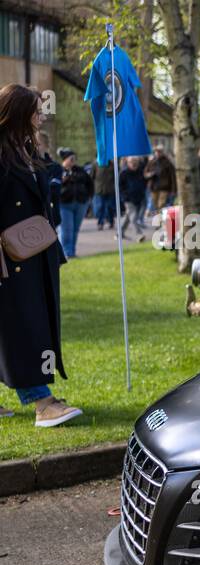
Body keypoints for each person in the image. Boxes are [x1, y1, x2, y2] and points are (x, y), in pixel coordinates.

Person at [0, 83, 81, 427]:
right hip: (9, 260)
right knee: (23, 326)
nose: (41, 114)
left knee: (22, 324)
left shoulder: (26, 150)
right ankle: (41, 401)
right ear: (19, 113)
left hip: (37, 253)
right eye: (35, 109)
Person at [56, 149, 92, 258]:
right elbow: (53, 187)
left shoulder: (80, 170)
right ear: (65, 159)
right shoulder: (58, 170)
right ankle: (67, 253)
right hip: (64, 204)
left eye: (74, 158)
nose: (73, 160)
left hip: (81, 203)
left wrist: (88, 198)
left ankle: (72, 251)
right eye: (70, 158)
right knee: (66, 230)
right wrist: (64, 180)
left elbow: (90, 184)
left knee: (75, 229)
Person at [118, 156, 148, 240]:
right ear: (128, 163)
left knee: (129, 216)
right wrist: (124, 196)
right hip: (128, 199)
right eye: (132, 162)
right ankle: (139, 234)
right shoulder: (123, 173)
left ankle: (120, 233)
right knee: (133, 217)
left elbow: (144, 183)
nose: (134, 164)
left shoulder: (140, 172)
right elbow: (119, 187)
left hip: (138, 198)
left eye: (136, 162)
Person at [143, 144, 175, 215]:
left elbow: (172, 176)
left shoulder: (167, 162)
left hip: (164, 187)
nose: (158, 153)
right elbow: (145, 173)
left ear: (162, 152)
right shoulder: (152, 162)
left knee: (162, 204)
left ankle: (161, 218)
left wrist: (173, 189)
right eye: (156, 152)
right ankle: (158, 217)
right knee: (155, 204)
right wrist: (150, 174)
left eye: (159, 152)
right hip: (153, 186)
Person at [92, 161, 116, 229]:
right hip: (99, 190)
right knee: (100, 207)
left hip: (110, 190)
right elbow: (92, 176)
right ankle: (100, 223)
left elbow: (116, 176)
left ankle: (111, 221)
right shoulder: (95, 164)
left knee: (110, 206)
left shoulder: (112, 164)